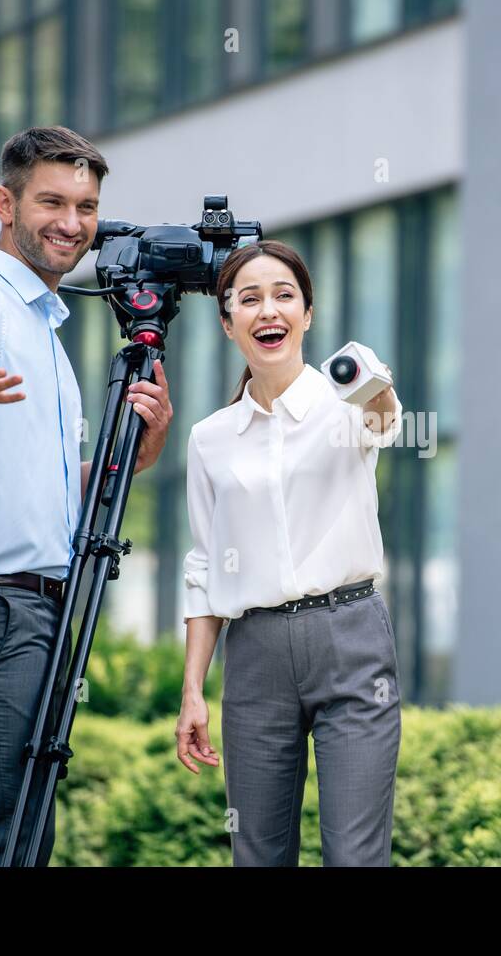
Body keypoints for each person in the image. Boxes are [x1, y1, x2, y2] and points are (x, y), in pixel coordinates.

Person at [0, 126, 173, 866]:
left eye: (86, 205)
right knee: (16, 834)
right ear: (3, 202)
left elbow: (43, 487)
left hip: (6, 609)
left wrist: (132, 456)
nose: (72, 222)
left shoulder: (41, 320)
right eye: (51, 200)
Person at [173, 239, 405, 866]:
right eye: (248, 299)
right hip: (255, 658)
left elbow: (386, 422)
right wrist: (193, 688)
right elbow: (203, 567)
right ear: (227, 322)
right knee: (258, 855)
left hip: (350, 640)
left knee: (355, 856)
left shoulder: (343, 402)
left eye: (284, 296)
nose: (267, 310)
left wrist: (374, 388)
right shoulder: (210, 439)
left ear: (306, 312)